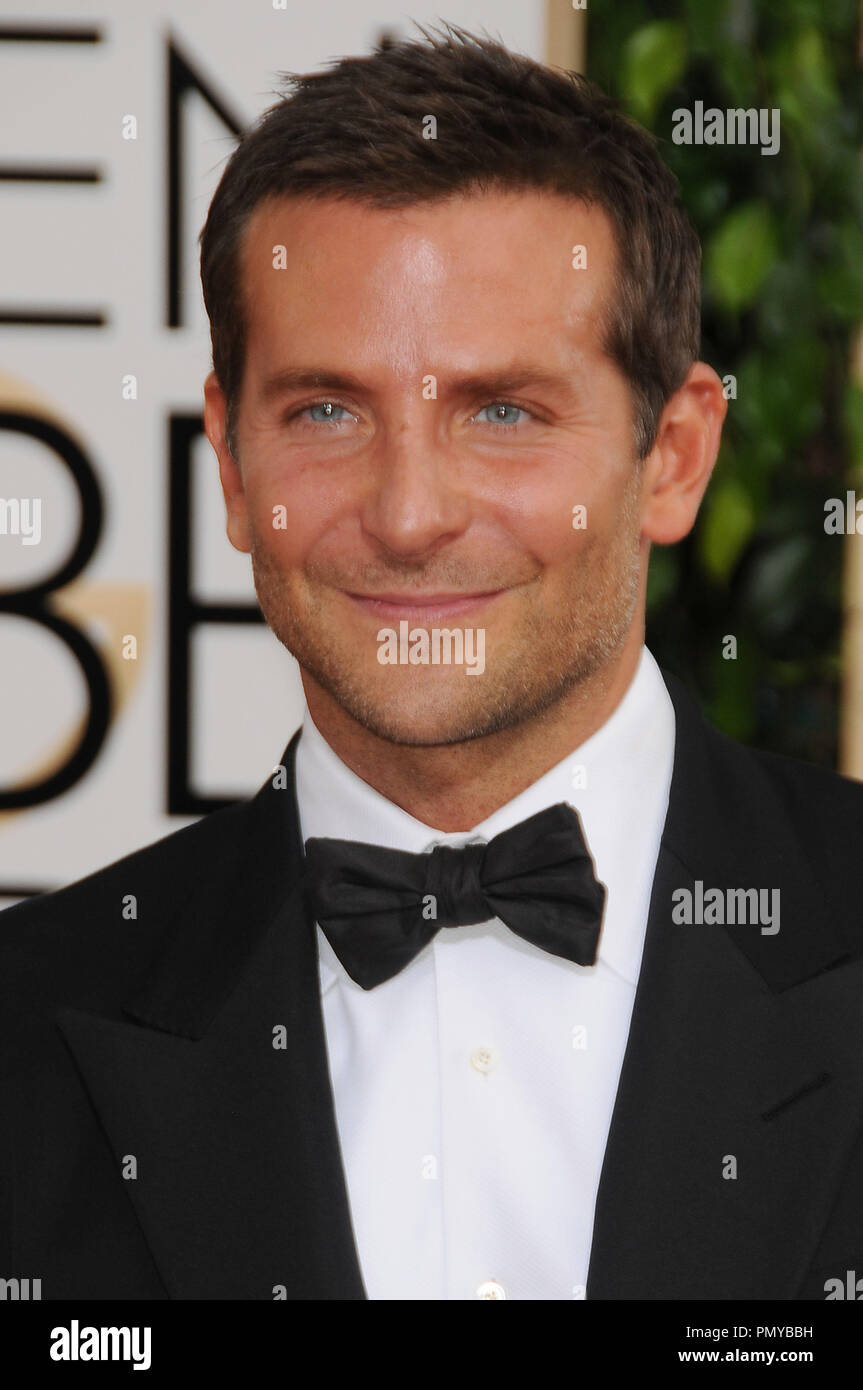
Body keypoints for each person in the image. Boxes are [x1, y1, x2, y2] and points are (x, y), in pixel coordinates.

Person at [2, 23, 862, 1302]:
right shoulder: (28, 1029)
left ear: (672, 455)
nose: (408, 516)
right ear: (232, 468)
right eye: (327, 412)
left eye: (501, 412)